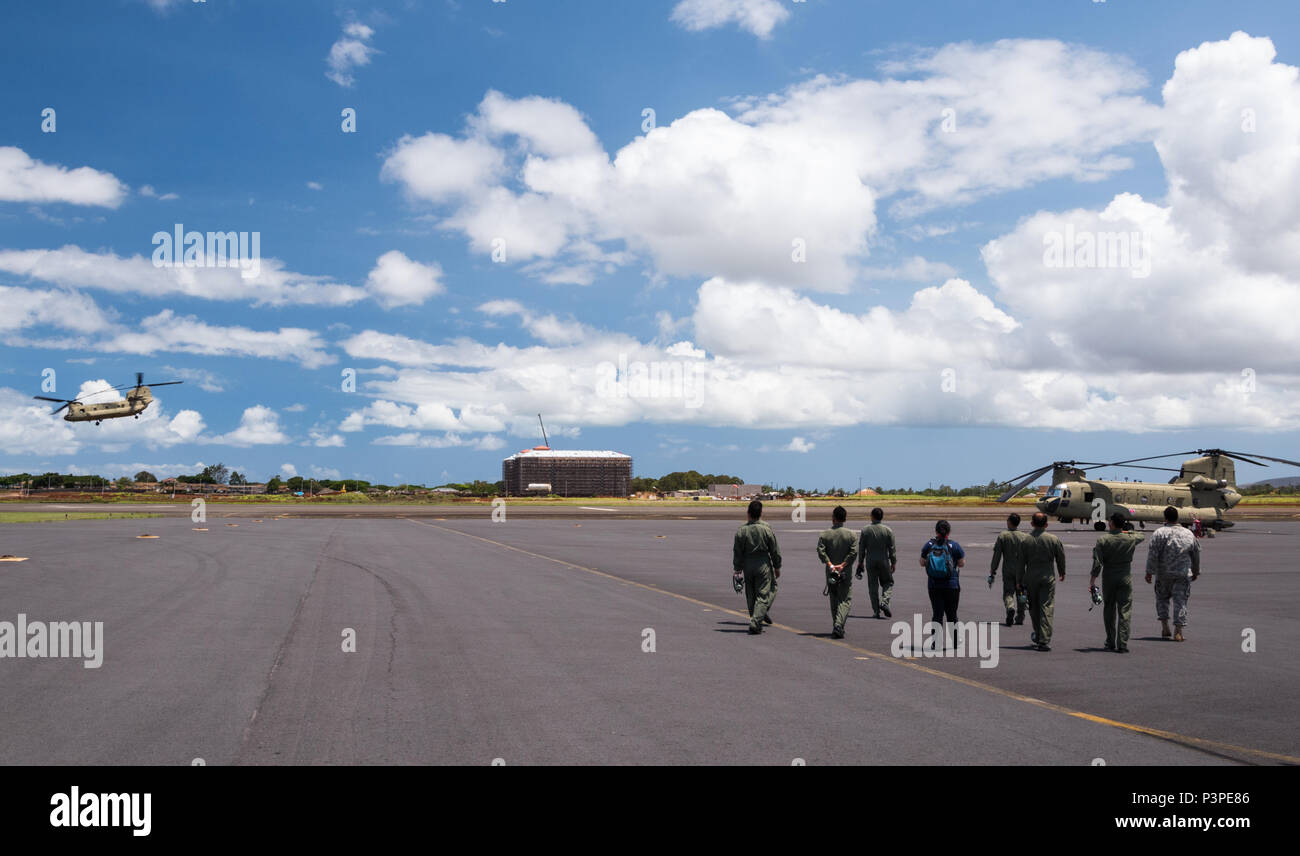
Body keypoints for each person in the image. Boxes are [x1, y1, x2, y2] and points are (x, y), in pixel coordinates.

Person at [1089, 512, 1145, 653]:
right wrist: (1126, 530)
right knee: (1125, 610)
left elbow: (1097, 563)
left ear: (1112, 523)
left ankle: (1110, 641)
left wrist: (1092, 580)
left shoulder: (1103, 540)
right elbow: (1141, 535)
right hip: (1125, 577)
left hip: (1109, 577)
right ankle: (1123, 643)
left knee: (1109, 609)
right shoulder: (1129, 538)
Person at [1144, 506, 1200, 642]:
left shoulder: (1159, 533)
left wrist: (1149, 571)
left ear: (1165, 518)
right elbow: (1195, 553)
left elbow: (1153, 554)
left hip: (1163, 574)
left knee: (1162, 600)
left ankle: (1164, 626)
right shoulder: (1188, 533)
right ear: (1177, 518)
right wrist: (1196, 570)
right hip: (1182, 574)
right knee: (1180, 601)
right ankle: (1178, 630)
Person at [733, 500, 782, 634]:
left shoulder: (741, 531)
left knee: (751, 593)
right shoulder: (766, 529)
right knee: (764, 593)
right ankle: (757, 619)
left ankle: (757, 614)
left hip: (747, 564)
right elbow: (774, 549)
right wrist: (777, 566)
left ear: (748, 513)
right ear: (761, 513)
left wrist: (737, 569)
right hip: (762, 563)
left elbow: (737, 551)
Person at [1019, 512, 1066, 651]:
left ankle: (1038, 634)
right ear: (1046, 524)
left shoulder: (1025, 540)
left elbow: (1020, 563)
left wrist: (1019, 580)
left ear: (1032, 524)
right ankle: (1044, 639)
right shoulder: (1053, 539)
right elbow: (1060, 557)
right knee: (1046, 606)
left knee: (1033, 607)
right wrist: (1062, 572)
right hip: (1047, 577)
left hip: (1030, 577)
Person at [919, 520, 965, 649]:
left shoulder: (929, 544)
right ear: (949, 532)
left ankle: (936, 642)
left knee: (937, 613)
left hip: (934, 585)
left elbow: (922, 562)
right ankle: (955, 640)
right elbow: (962, 563)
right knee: (952, 614)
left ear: (936, 531)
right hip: (951, 585)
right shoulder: (954, 546)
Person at [817, 506, 858, 639]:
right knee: (845, 599)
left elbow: (821, 551)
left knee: (834, 599)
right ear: (845, 518)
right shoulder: (851, 535)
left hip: (831, 571)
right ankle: (838, 625)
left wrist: (830, 565)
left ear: (833, 517)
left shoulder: (825, 534)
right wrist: (843, 565)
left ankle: (837, 624)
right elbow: (853, 552)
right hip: (845, 571)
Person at [855, 507, 897, 618]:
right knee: (888, 582)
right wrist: (893, 562)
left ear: (872, 516)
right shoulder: (888, 530)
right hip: (884, 560)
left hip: (870, 561)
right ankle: (884, 602)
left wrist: (860, 562)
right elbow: (892, 549)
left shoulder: (865, 530)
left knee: (872, 586)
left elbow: (861, 548)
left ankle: (876, 611)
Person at [990, 512, 1030, 626]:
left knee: (1008, 593)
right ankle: (1020, 616)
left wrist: (993, 569)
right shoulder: (1025, 536)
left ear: (1009, 522)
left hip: (1008, 569)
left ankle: (1010, 607)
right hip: (1021, 570)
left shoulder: (1003, 536)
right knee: (1021, 592)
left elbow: (997, 555)